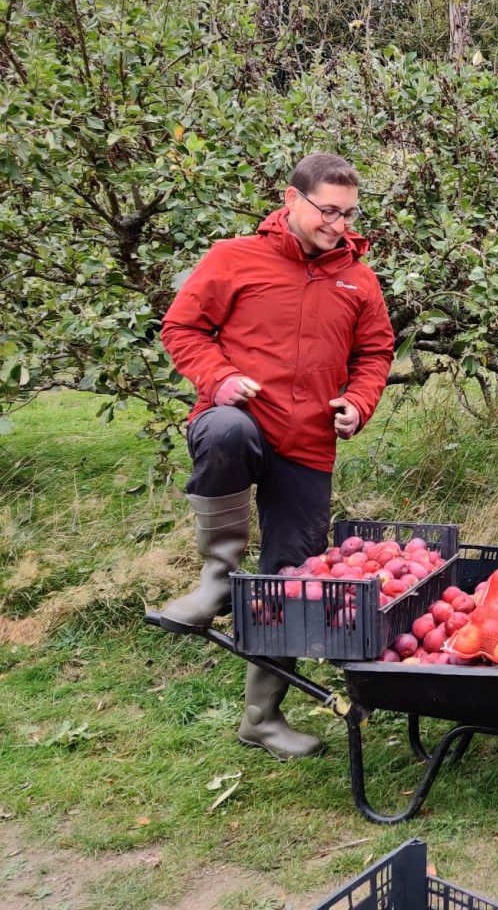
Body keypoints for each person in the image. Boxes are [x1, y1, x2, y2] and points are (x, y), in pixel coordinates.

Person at [158, 152, 395, 759]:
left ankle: (262, 717)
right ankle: (216, 581)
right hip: (242, 420)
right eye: (326, 211)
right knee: (225, 432)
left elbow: (375, 354)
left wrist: (359, 403)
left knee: (292, 581)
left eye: (347, 214)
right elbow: (181, 329)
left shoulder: (357, 279)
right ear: (291, 199)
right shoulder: (234, 258)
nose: (337, 225)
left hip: (309, 441)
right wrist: (219, 379)